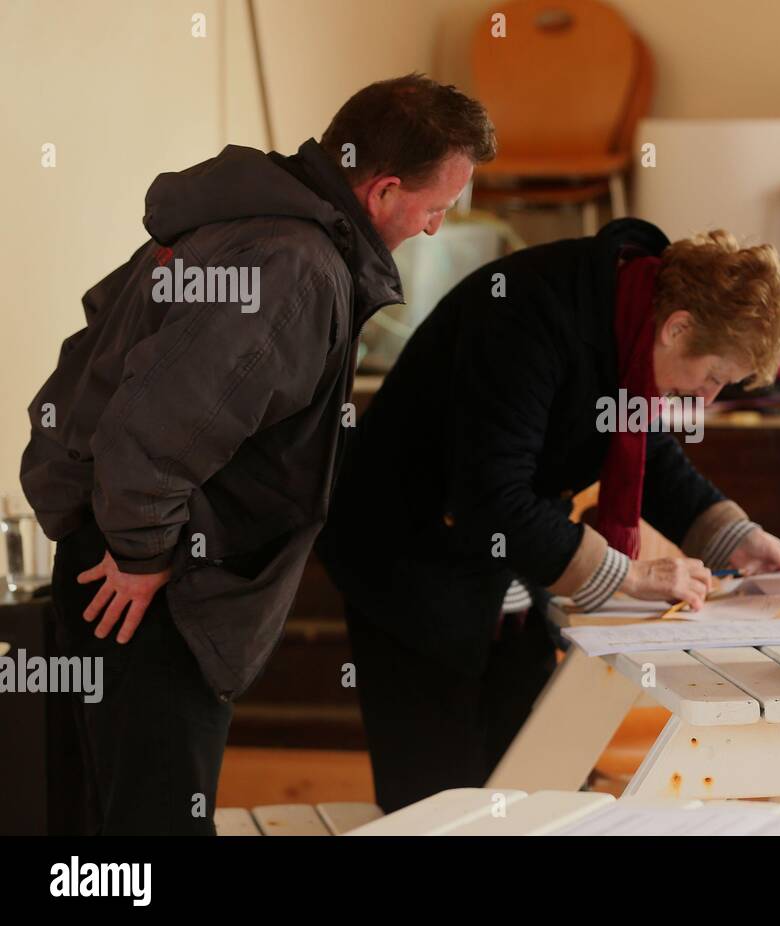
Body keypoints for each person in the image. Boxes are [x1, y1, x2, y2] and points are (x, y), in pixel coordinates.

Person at [19, 74, 495, 835]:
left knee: (114, 820)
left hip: (130, 550)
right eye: (436, 208)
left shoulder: (255, 219)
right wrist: (142, 553)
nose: (436, 228)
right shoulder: (294, 268)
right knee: (155, 828)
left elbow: (109, 341)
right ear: (382, 192)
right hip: (150, 574)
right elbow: (153, 429)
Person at [318, 220, 780, 811]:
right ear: (678, 328)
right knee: (436, 803)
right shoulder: (530, 314)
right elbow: (493, 502)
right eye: (713, 378)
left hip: (504, 566)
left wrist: (738, 538)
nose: (707, 401)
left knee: (537, 785)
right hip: (406, 555)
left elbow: (645, 450)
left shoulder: (630, 314)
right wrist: (630, 575)